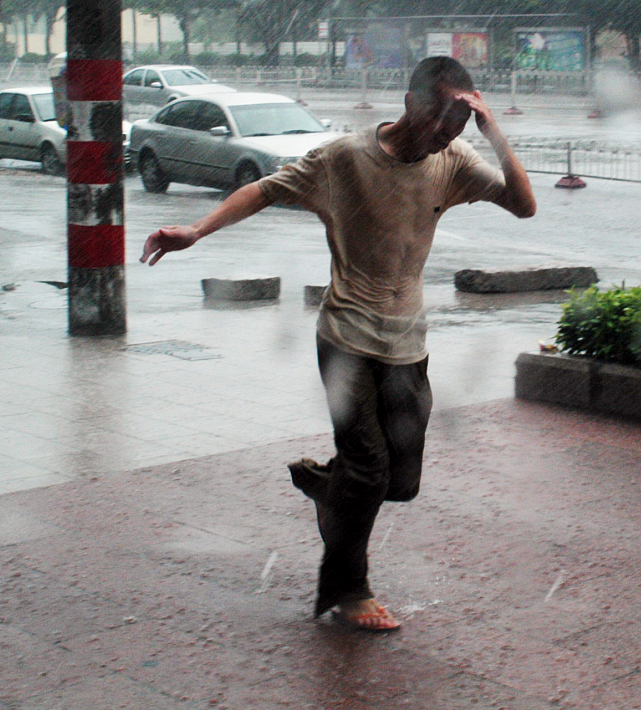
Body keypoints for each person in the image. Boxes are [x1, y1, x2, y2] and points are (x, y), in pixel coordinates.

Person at [141, 56, 536, 631]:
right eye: (441, 123)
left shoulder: (452, 161)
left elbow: (524, 205)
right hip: (346, 336)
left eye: (457, 127)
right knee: (371, 468)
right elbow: (264, 189)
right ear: (413, 105)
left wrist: (492, 132)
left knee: (400, 482)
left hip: (407, 342)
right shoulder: (345, 158)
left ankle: (331, 487)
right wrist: (195, 232)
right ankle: (350, 590)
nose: (445, 138)